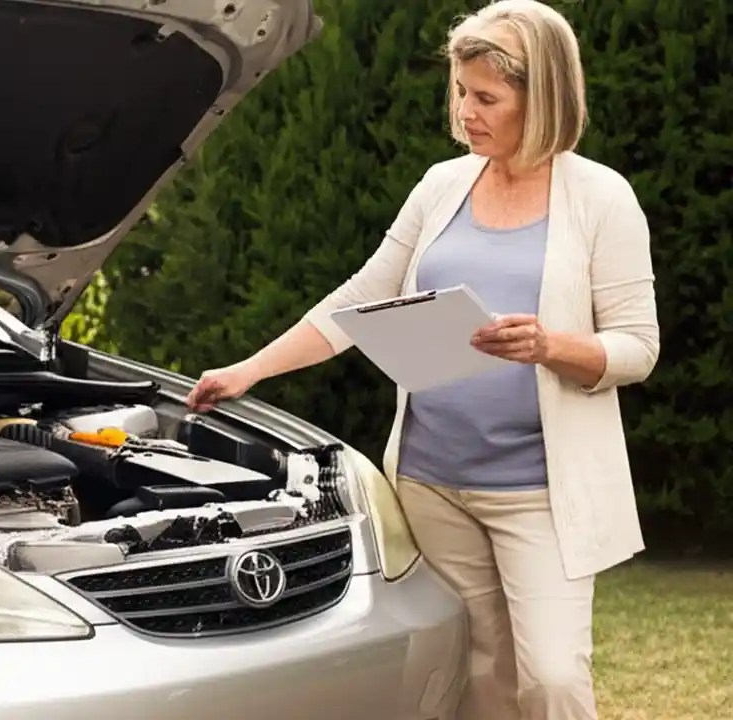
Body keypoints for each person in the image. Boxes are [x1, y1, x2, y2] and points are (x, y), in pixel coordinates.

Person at [184, 1, 659, 719]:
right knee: (478, 676)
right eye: (461, 92)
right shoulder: (443, 185)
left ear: (545, 97)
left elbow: (638, 347)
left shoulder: (602, 198)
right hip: (432, 482)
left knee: (553, 678)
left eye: (487, 98)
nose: (466, 112)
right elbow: (360, 300)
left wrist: (551, 346)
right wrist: (250, 369)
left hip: (541, 494)